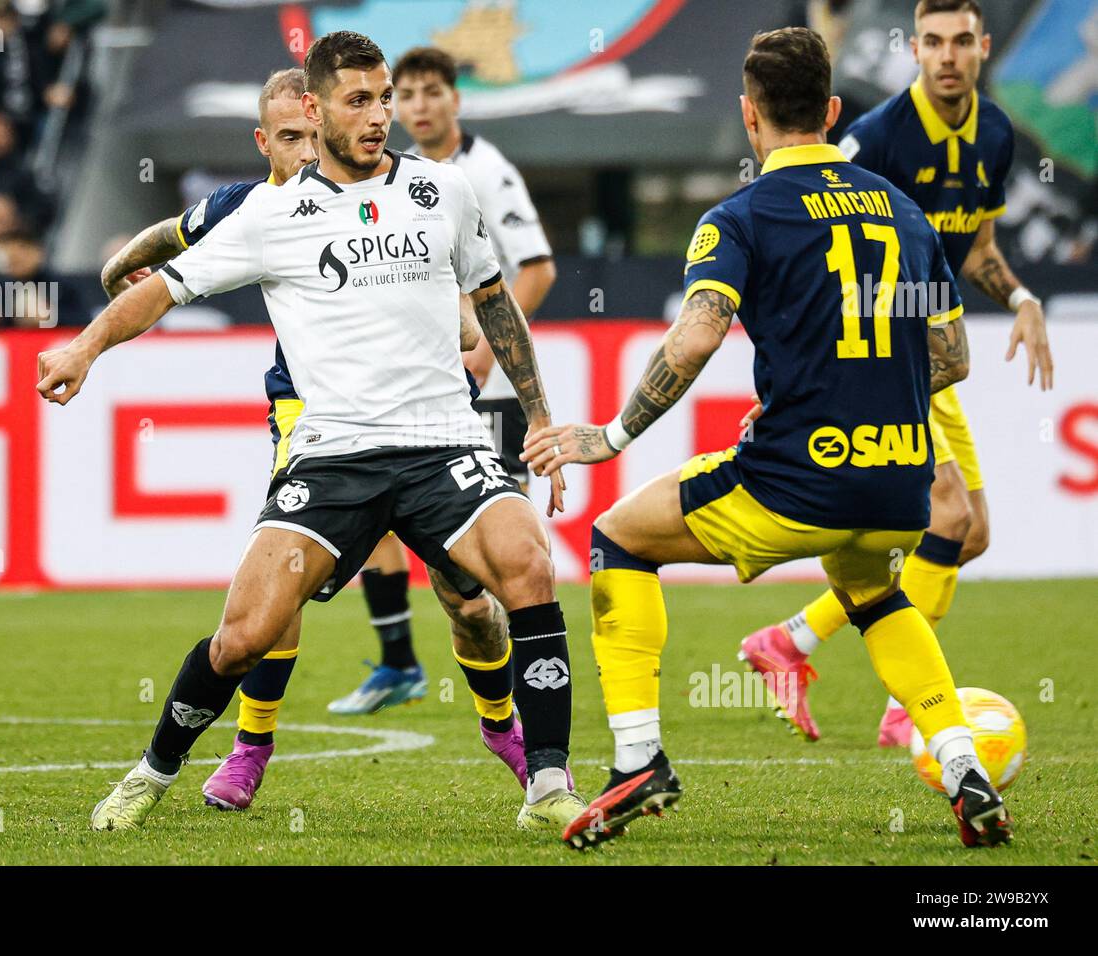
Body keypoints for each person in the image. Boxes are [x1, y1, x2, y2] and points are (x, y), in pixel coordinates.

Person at [37, 32, 585, 832]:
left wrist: (538, 416)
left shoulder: (446, 191)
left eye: (384, 97)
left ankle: (548, 785)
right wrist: (85, 345)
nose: (378, 116)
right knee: (244, 637)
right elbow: (164, 287)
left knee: (528, 565)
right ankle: (151, 773)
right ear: (314, 107)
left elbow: (495, 301)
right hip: (334, 456)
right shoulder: (271, 212)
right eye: (358, 101)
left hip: (445, 446)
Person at [523, 27, 1011, 850]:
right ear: (830, 110)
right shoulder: (907, 211)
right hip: (900, 488)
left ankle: (639, 758)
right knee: (874, 591)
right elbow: (952, 357)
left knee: (618, 536)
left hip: (799, 481)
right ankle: (967, 771)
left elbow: (695, 339)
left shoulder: (739, 217)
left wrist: (608, 436)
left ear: (748, 117)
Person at [738, 0, 1054, 747]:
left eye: (961, 42)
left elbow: (973, 251)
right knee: (952, 519)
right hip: (878, 360)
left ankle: (791, 640)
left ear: (982, 47)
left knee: (968, 534)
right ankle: (907, 704)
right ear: (914, 48)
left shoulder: (998, 134)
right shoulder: (873, 141)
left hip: (932, 363)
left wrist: (1022, 296)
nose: (947, 57)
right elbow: (816, 244)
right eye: (933, 42)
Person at [321, 45, 561, 716]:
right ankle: (400, 661)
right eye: (408, 95)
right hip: (421, 386)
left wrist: (483, 351)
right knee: (389, 519)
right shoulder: (387, 176)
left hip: (485, 388)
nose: (419, 107)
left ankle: (532, 676)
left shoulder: (484, 171)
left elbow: (536, 269)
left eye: (433, 94)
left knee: (489, 554)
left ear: (456, 99)